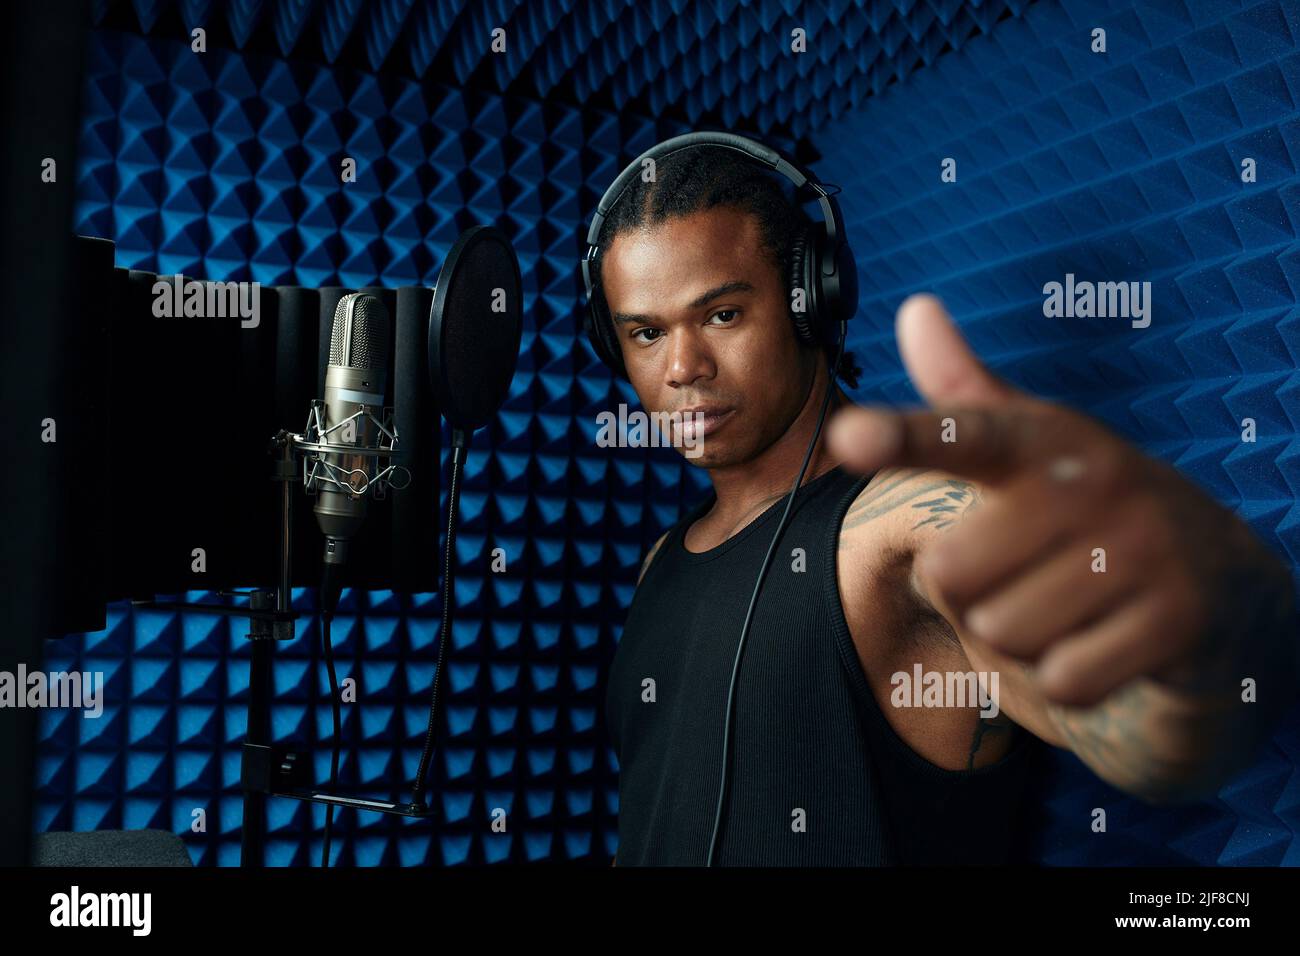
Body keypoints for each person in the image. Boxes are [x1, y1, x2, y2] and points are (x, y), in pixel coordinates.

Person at [588, 143, 1297, 865]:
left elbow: (1153, 731)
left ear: (814, 299)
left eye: (723, 314)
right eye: (646, 333)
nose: (682, 368)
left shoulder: (905, 526)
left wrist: (1209, 630)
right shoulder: (661, 563)